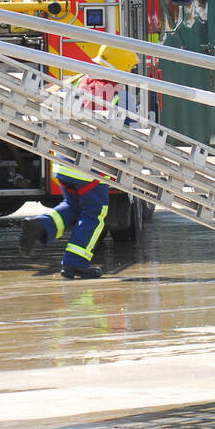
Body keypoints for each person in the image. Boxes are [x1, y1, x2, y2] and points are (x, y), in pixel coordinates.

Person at [17, 46, 136, 280]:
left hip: (62, 160)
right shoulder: (119, 94)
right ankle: (76, 263)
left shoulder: (77, 80)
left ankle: (41, 225)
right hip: (91, 167)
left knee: (72, 207)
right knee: (95, 213)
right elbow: (130, 133)